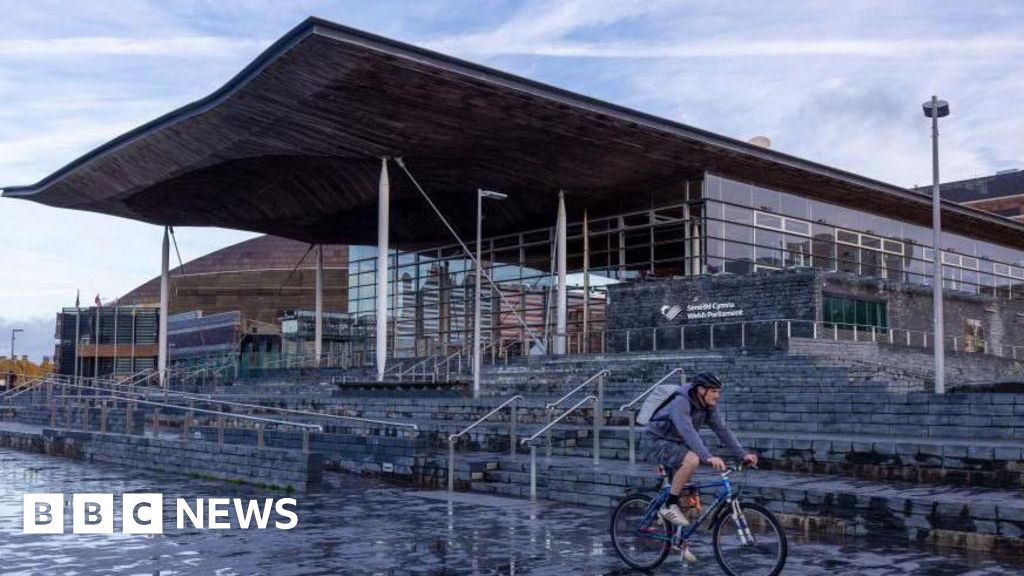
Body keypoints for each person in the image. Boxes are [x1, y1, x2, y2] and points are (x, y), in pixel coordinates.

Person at [643, 372, 758, 531]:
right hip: (655, 441)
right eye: (713, 391)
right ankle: (669, 505)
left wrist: (743, 454)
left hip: (677, 444)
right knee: (691, 460)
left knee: (688, 494)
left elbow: (722, 430)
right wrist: (708, 457)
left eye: (718, 391)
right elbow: (687, 430)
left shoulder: (708, 406)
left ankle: (679, 539)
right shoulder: (681, 402)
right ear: (700, 390)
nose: (717, 396)